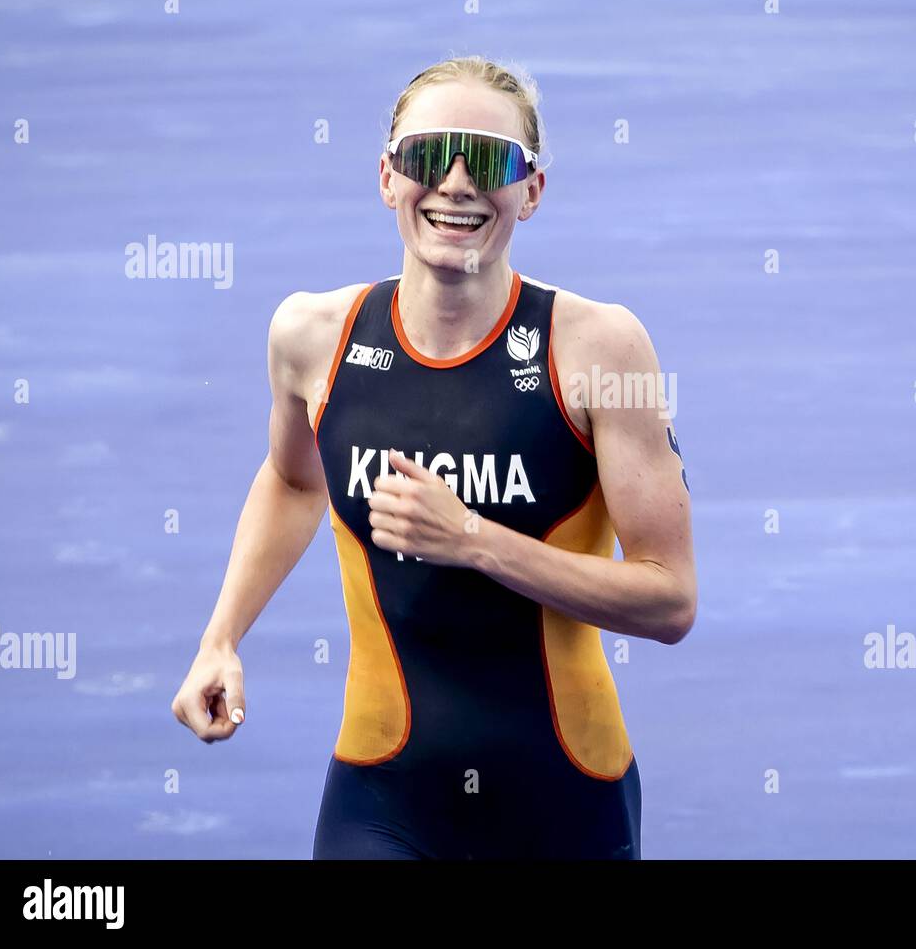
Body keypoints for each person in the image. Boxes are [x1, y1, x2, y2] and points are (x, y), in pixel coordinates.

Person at [170, 56, 697, 859]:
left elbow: (669, 601)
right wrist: (221, 639)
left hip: (563, 799)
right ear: (388, 177)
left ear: (532, 191)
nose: (455, 183)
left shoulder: (599, 350)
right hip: (383, 796)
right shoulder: (313, 338)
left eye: (487, 160)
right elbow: (289, 479)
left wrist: (474, 541)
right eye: (426, 156)